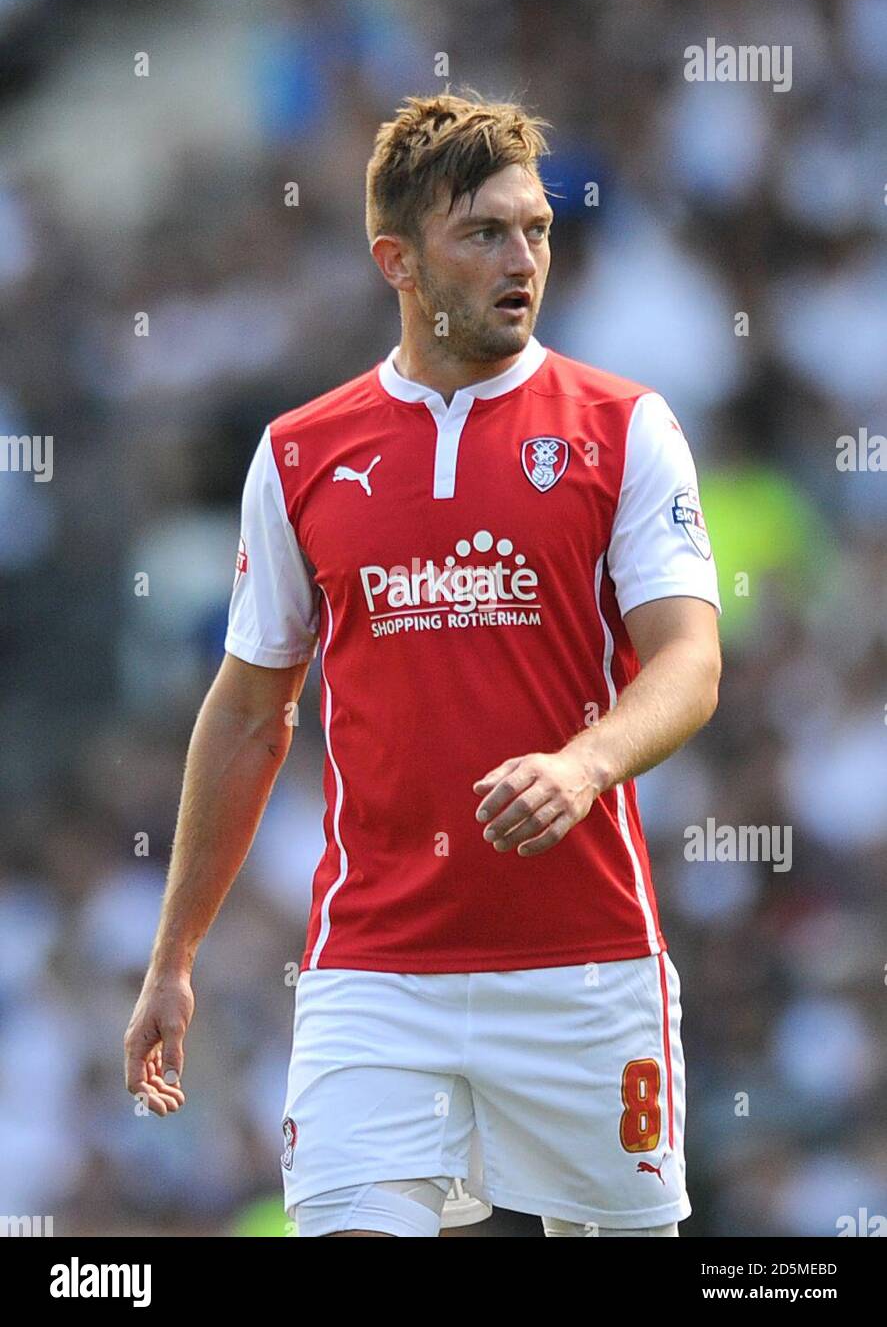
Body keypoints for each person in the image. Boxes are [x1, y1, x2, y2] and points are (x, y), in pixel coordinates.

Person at [124, 91, 722, 1238]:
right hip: (373, 971)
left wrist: (584, 764)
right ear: (396, 261)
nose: (523, 258)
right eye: (485, 232)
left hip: (583, 967)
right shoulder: (299, 454)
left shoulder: (623, 427)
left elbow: (687, 663)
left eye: (535, 229)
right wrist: (173, 958)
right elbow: (250, 712)